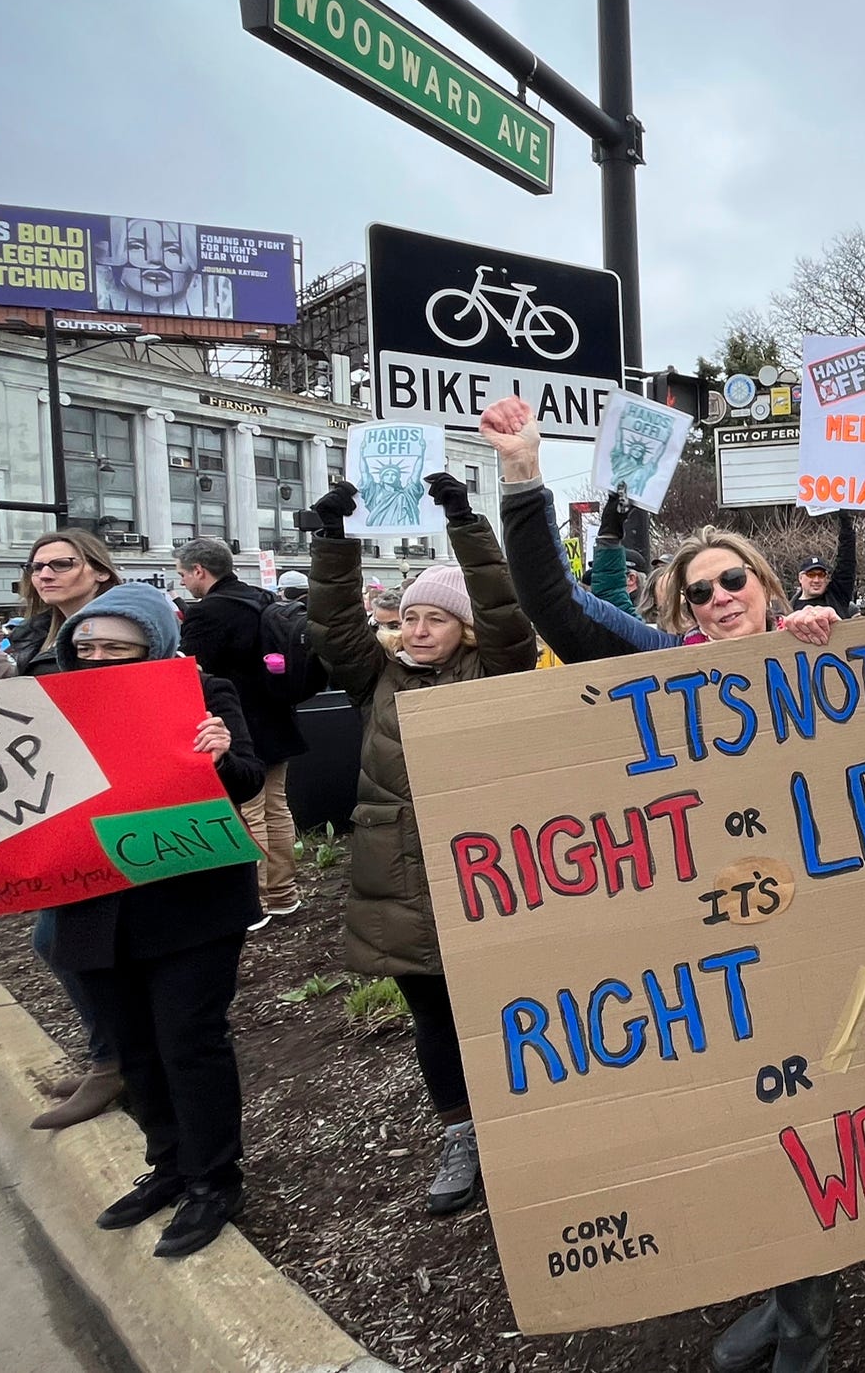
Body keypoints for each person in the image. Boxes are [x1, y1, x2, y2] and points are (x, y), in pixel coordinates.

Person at [476, 395, 843, 1373]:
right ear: (681, 613)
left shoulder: (828, 654)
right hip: (707, 935)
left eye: (734, 581)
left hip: (816, 931)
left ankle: (806, 1326)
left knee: (807, 1117)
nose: (720, 597)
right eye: (699, 591)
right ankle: (781, 1288)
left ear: (765, 587)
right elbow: (555, 602)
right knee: (745, 1118)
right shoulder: (659, 665)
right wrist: (522, 474)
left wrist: (840, 646)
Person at [0, 584, 270, 1256]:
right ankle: (167, 1166)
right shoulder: (39, 711)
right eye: (87, 647)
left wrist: (217, 755)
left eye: (116, 649)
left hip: (190, 901)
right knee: (131, 1045)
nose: (97, 658)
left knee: (190, 1040)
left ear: (152, 647)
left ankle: (215, 1180)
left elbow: (245, 778)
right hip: (92, 905)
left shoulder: (202, 691)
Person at [306, 469, 535, 1216]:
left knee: (507, 1008)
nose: (417, 629)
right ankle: (461, 1133)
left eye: (434, 618)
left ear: (461, 629)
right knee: (433, 1018)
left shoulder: (495, 669)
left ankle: (522, 1126)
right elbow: (334, 625)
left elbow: (505, 610)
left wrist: (464, 517)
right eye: (408, 618)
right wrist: (331, 540)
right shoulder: (378, 680)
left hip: (488, 875)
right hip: (398, 881)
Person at [7, 529, 130, 1128]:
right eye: (37, 567)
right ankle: (112, 1055)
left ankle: (115, 1062)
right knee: (57, 940)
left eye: (62, 563)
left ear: (99, 571)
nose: (47, 574)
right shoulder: (37, 639)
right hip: (56, 802)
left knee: (61, 940)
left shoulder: (134, 627)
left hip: (118, 800)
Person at [177, 537, 311, 926]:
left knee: (248, 812)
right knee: (275, 808)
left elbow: (193, 673)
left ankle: (257, 902)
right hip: (277, 716)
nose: (184, 581)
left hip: (237, 727)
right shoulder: (263, 599)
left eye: (184, 574)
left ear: (199, 571)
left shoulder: (207, 613)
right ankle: (285, 893)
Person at [789, 510, 857, 617]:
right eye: (811, 575)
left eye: (821, 575)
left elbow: (846, 562)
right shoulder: (788, 610)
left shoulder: (837, 596)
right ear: (800, 578)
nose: (816, 580)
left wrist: (846, 522)